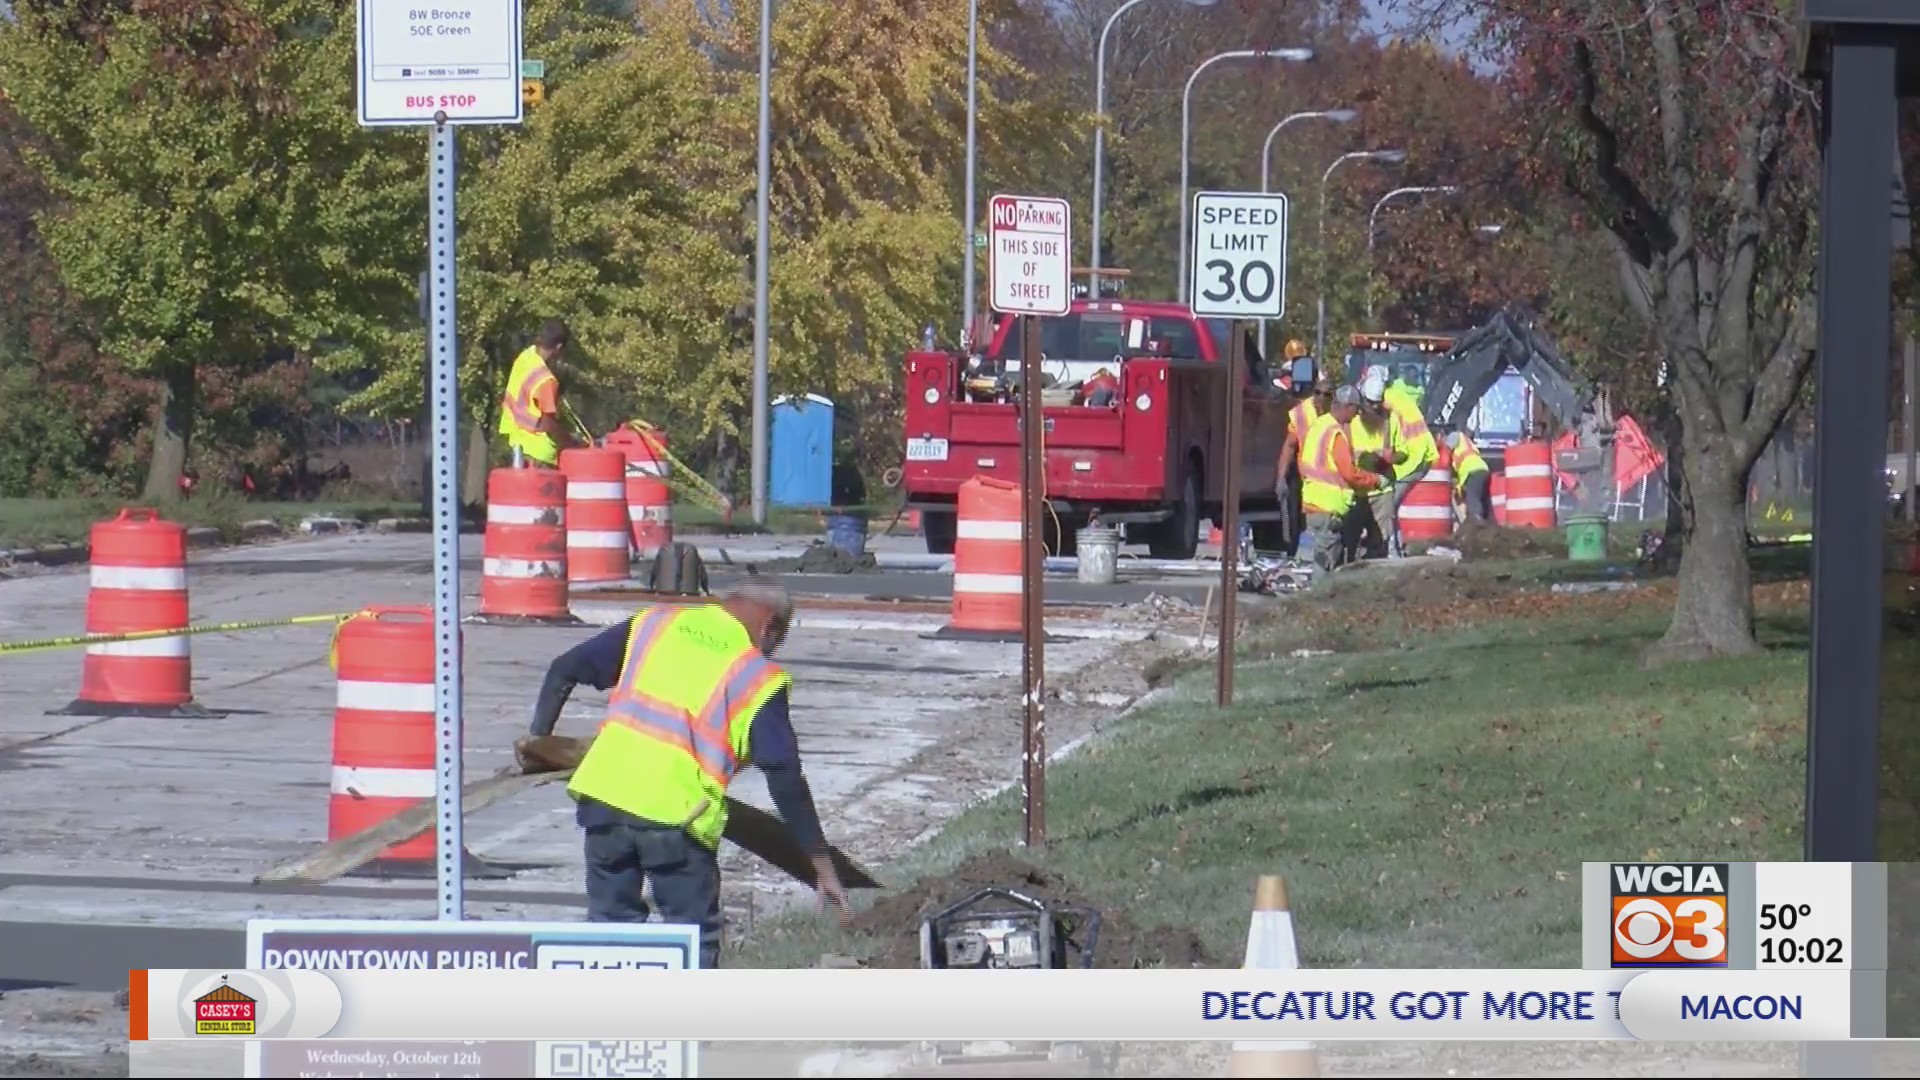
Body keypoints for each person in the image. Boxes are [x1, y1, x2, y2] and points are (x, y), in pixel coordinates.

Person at [528, 578, 848, 968]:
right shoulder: (757, 676)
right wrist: (820, 861)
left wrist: (537, 741)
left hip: (604, 803)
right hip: (677, 820)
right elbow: (783, 774)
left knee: (610, 936)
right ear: (770, 627)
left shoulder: (655, 624)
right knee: (691, 942)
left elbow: (564, 669)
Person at [1298, 386, 1389, 572]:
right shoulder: (1336, 433)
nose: (1356, 415)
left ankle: (1309, 597)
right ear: (1347, 406)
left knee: (1315, 561)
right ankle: (1318, 599)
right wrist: (1376, 480)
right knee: (1326, 567)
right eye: (1356, 409)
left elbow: (1304, 462)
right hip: (1328, 511)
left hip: (1312, 506)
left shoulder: (1319, 425)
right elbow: (1349, 473)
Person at [497, 318, 580, 468]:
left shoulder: (525, 357)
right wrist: (571, 442)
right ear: (559, 347)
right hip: (539, 455)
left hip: (517, 445)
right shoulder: (546, 381)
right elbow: (548, 425)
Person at [1348, 374, 1407, 559]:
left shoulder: (1391, 421)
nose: (1373, 408)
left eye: (1377, 403)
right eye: (1369, 403)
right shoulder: (1350, 421)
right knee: (1349, 544)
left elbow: (1403, 453)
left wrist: (1392, 457)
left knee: (1379, 545)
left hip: (1382, 494)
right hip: (1356, 494)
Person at [1276, 374, 1336, 554]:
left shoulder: (1338, 413)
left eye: (1326, 394)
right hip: (1303, 476)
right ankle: (1291, 553)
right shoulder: (1302, 413)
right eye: (1317, 393)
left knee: (1325, 523)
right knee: (1293, 518)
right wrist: (1281, 478)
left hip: (1330, 480)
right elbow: (1289, 445)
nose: (1320, 398)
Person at [1445, 426, 1493, 522]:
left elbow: (1445, 453)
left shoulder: (1455, 436)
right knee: (1483, 502)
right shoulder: (1467, 443)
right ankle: (1488, 526)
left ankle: (1476, 525)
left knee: (1473, 500)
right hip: (1483, 469)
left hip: (1472, 471)